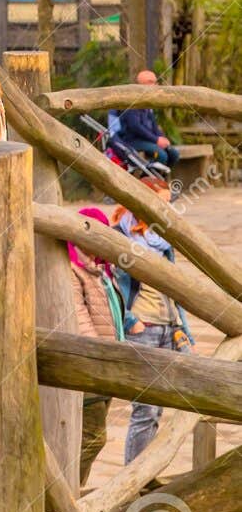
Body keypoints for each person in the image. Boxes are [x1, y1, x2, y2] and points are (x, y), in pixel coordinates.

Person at [113, 196, 194, 463]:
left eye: (169, 203)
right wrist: (129, 321)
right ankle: (132, 475)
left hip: (168, 328)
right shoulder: (121, 237)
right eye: (160, 203)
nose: (166, 208)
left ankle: (144, 474)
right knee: (144, 409)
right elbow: (110, 285)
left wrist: (183, 328)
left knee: (159, 408)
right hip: (143, 328)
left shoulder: (164, 243)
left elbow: (172, 292)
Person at [68, 208, 126, 483]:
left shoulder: (100, 270)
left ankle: (71, 495)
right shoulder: (72, 272)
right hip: (89, 369)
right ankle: (62, 499)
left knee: (87, 437)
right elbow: (80, 321)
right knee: (92, 438)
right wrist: (99, 364)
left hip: (108, 365)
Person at [114, 69, 179, 170]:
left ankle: (159, 179)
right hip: (132, 141)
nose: (155, 85)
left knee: (174, 154)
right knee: (162, 155)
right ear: (140, 85)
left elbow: (153, 124)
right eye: (150, 82)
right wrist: (156, 140)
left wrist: (161, 138)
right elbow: (135, 126)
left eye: (155, 82)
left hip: (148, 140)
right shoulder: (132, 102)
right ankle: (146, 180)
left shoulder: (148, 103)